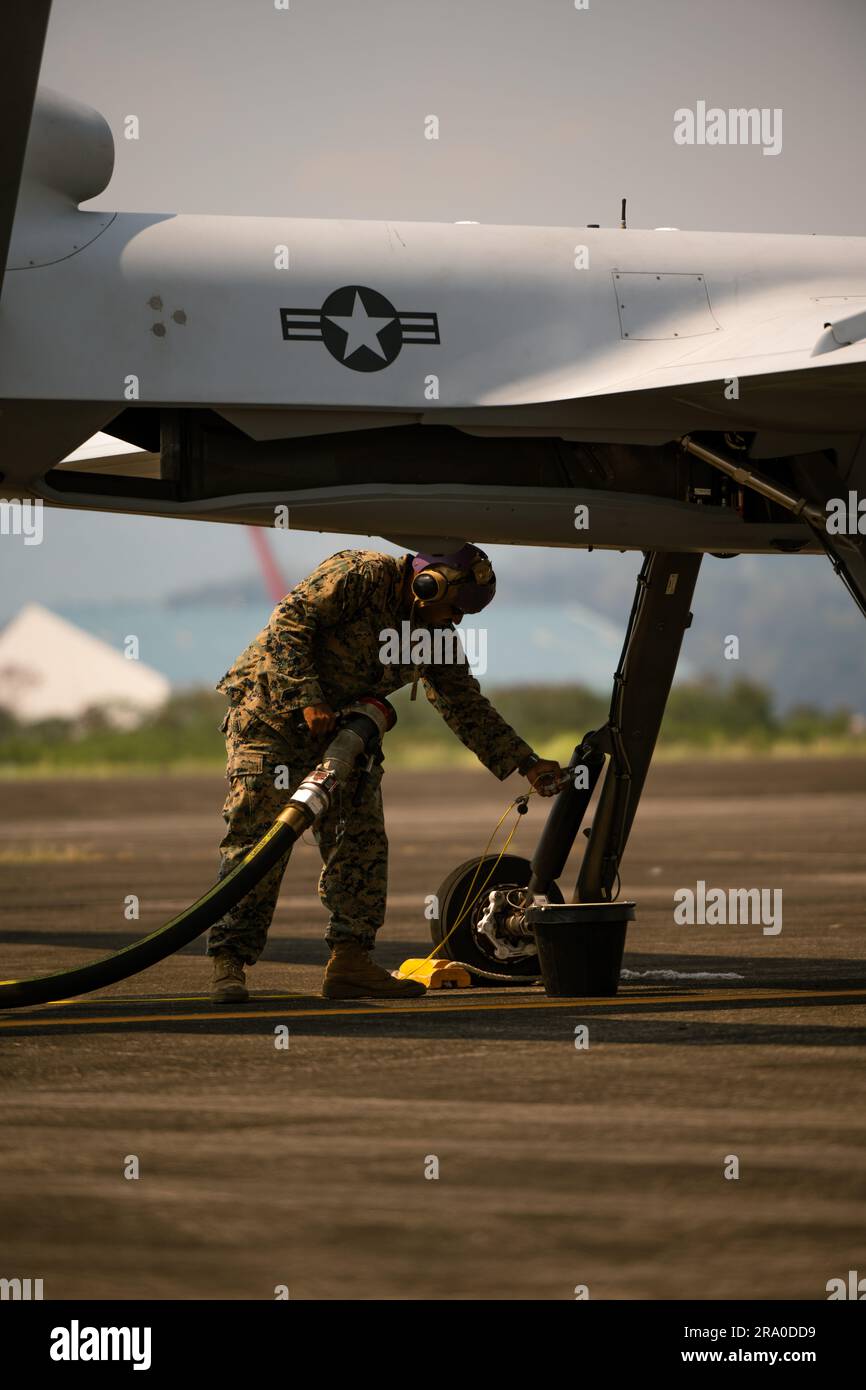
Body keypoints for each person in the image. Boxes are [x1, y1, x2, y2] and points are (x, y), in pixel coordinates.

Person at [207, 543, 564, 1003]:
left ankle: (350, 962)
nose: (458, 620)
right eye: (457, 607)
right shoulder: (362, 574)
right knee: (259, 845)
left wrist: (526, 762)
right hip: (273, 724)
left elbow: (463, 703)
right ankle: (229, 965)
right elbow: (291, 622)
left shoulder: (429, 633)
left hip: (348, 737)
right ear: (429, 583)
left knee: (361, 844)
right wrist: (307, 696)